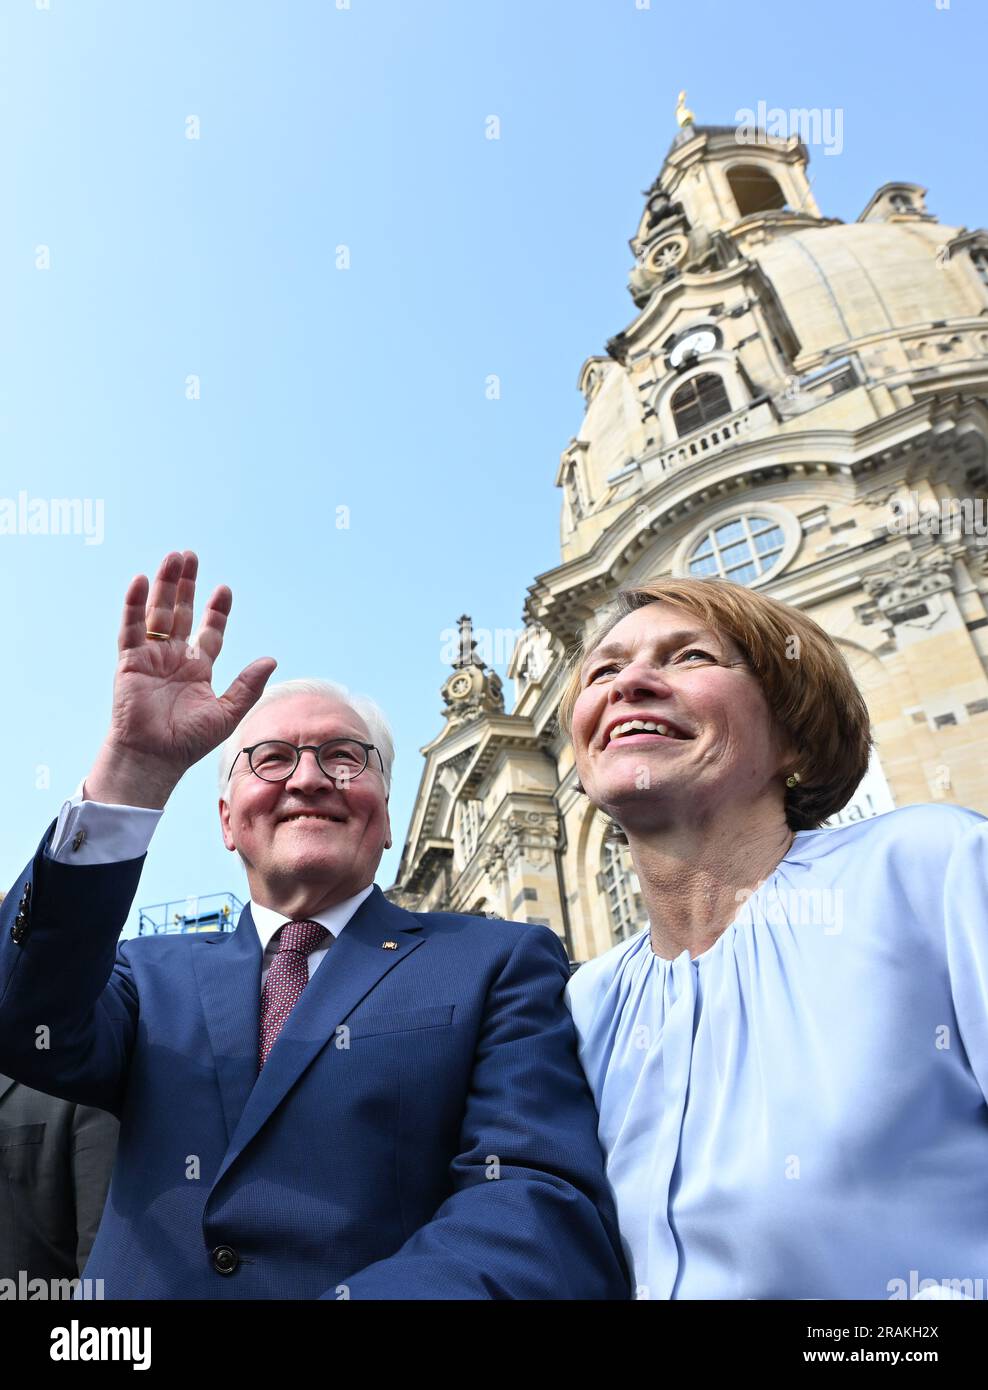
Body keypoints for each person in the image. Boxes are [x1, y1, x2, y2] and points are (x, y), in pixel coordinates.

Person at [0, 549, 628, 1301]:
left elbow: (535, 1202)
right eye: (270, 760)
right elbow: (21, 1011)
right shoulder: (145, 977)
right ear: (227, 822)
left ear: (388, 815)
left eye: (343, 757)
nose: (306, 778)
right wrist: (132, 772)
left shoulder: (499, 959)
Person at [560, 576, 988, 1301]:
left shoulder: (930, 867)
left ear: (794, 735)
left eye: (689, 657)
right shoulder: (585, 1001)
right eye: (605, 670)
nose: (631, 681)